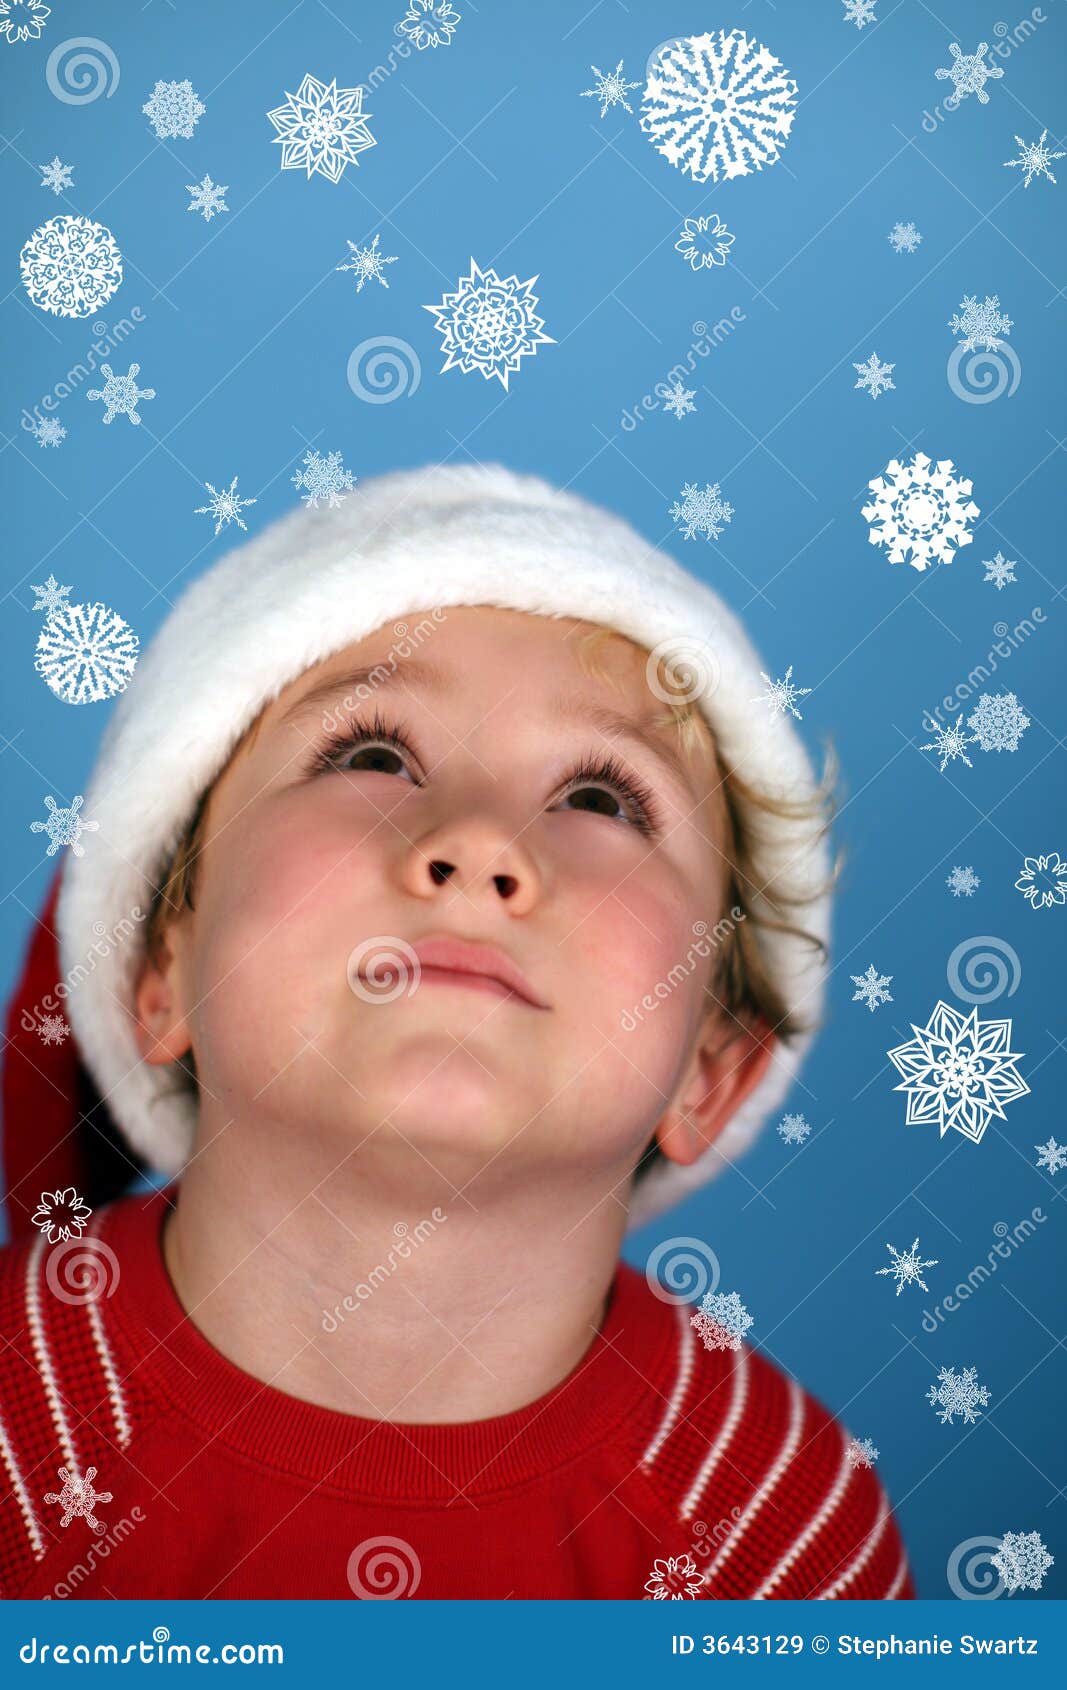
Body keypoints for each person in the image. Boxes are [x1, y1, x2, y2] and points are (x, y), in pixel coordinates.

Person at [0, 463, 913, 1599]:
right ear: (160, 972)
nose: (480, 844)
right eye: (372, 756)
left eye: (600, 799)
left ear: (708, 1072)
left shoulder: (777, 1530)